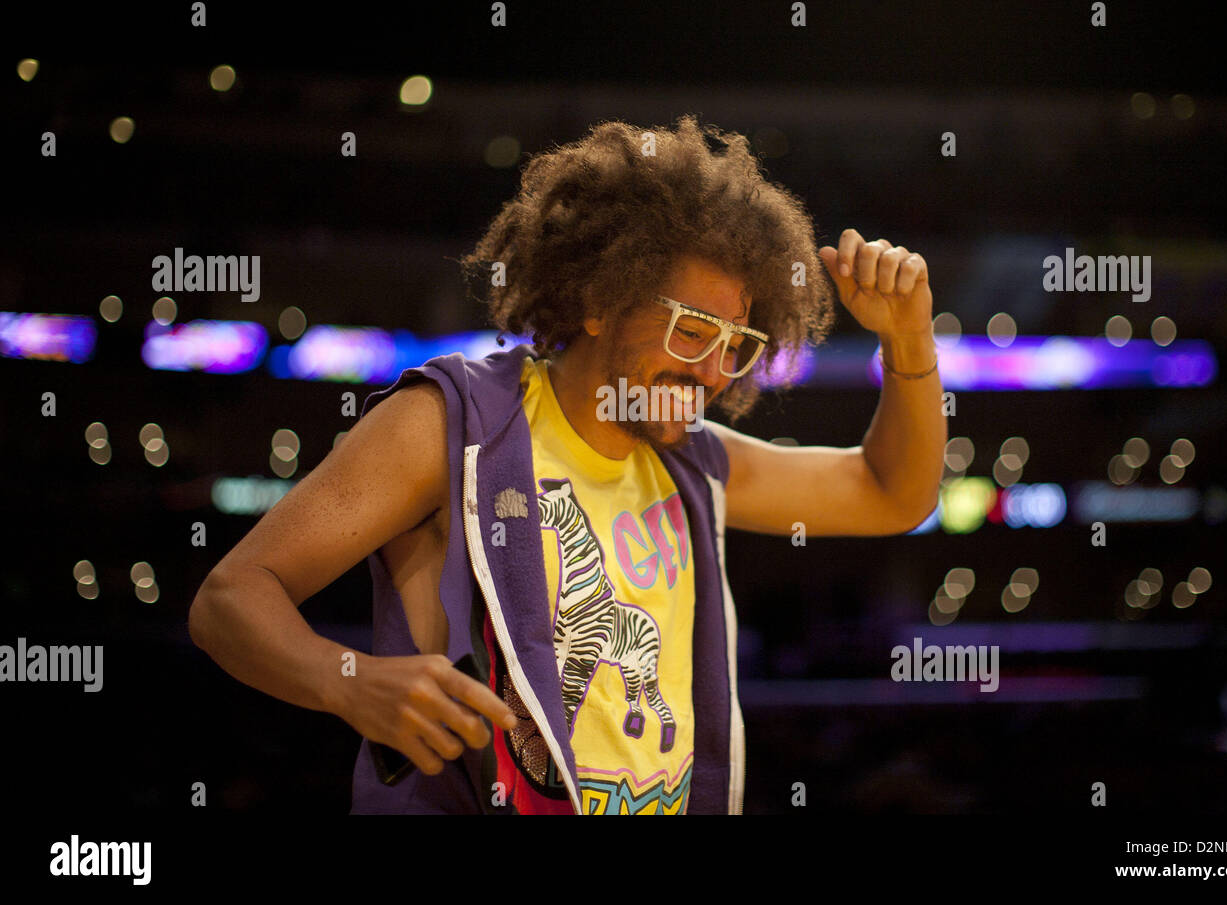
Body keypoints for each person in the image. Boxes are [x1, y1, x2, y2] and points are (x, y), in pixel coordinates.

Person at [188, 114, 945, 814]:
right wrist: (349, 680)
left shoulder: (696, 463)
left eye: (736, 344)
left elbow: (892, 493)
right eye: (692, 330)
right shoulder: (452, 424)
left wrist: (909, 344)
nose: (714, 369)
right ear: (599, 298)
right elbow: (230, 597)